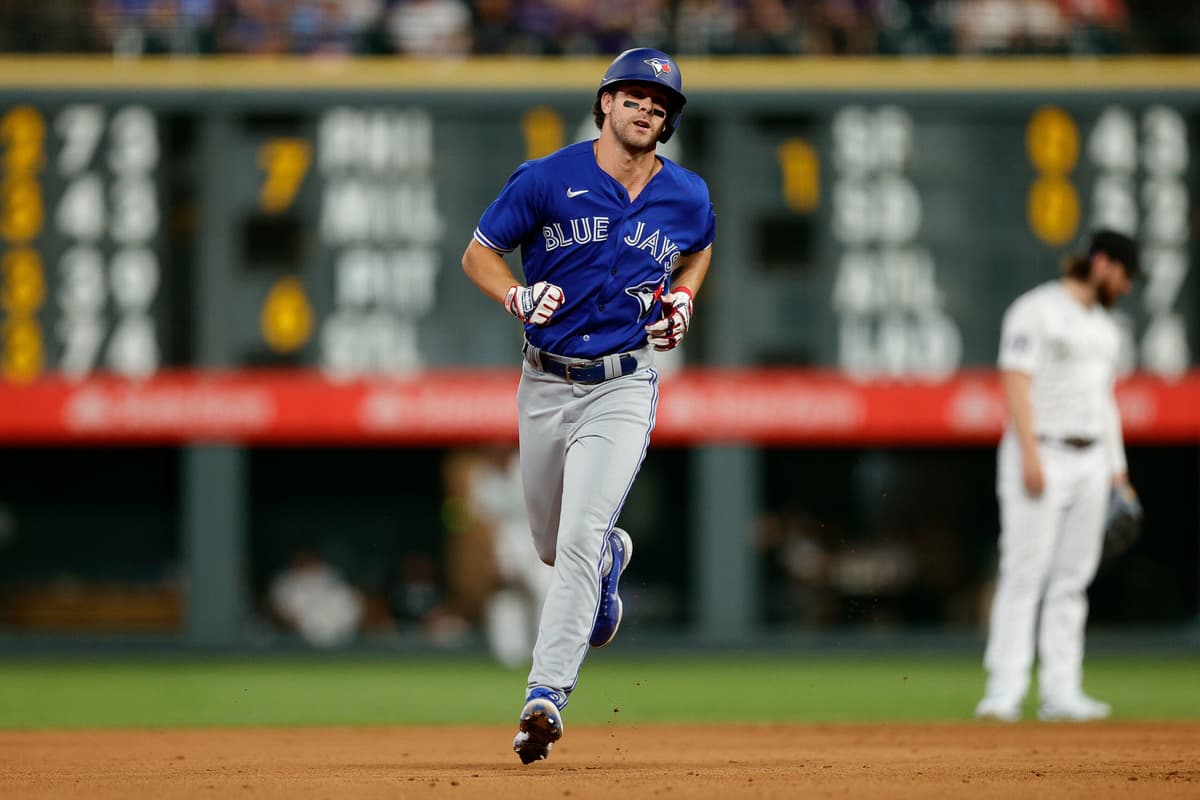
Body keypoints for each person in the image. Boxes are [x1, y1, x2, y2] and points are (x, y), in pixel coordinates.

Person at [461, 47, 715, 763]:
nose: (648, 109)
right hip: (544, 382)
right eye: (634, 96)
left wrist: (686, 296)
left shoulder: (686, 194)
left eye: (660, 105)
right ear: (605, 103)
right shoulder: (547, 179)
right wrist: (512, 293)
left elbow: (699, 248)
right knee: (550, 545)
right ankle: (609, 560)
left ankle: (544, 698)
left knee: (575, 539)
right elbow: (478, 252)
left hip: (624, 384)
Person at [975, 229, 1139, 722]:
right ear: (1104, 263)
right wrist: (1029, 453)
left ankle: (1061, 690)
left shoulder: (1108, 328)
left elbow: (1106, 406)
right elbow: (1015, 380)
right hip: (1042, 450)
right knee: (1024, 573)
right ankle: (1004, 690)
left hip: (1092, 459)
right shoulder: (1036, 309)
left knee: (1073, 578)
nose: (1126, 287)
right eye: (1125, 274)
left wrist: (1119, 475)